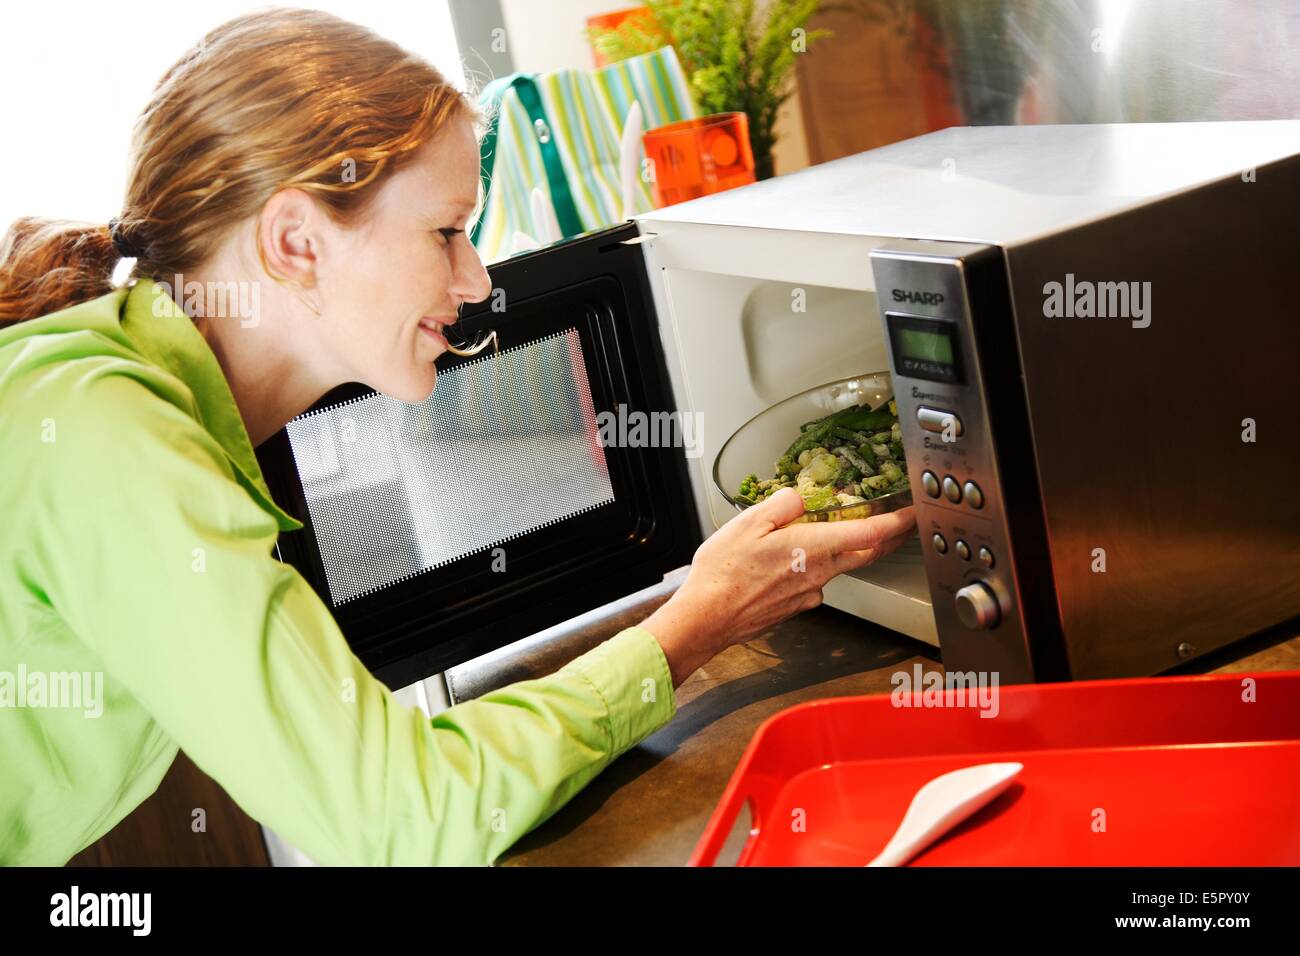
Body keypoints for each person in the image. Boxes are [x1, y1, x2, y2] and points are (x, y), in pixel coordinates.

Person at [0, 8, 916, 865]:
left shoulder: (137, 399)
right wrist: (701, 618)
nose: (476, 281)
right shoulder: (107, 434)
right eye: (445, 232)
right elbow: (399, 809)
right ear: (294, 244)